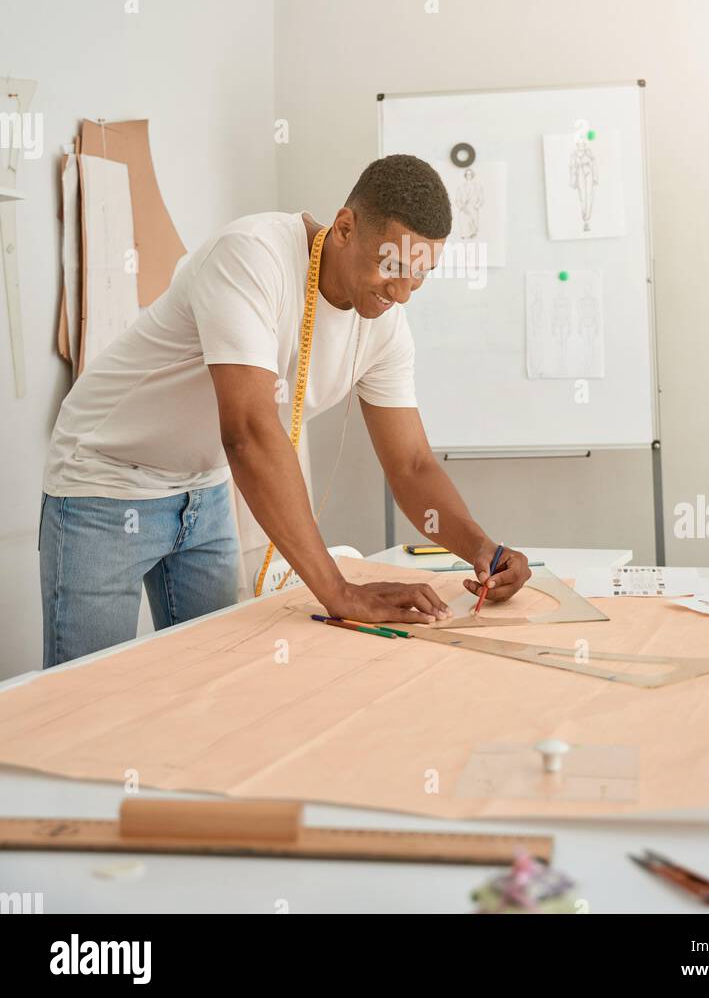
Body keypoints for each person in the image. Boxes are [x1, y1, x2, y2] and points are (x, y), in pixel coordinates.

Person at [40, 154, 530, 667]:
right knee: (85, 688)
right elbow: (249, 432)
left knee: (215, 676)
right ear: (344, 228)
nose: (402, 293)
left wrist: (481, 550)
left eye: (421, 276)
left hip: (203, 486)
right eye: (393, 268)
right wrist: (339, 592)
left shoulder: (384, 323)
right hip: (104, 480)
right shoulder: (252, 258)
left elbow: (410, 465)